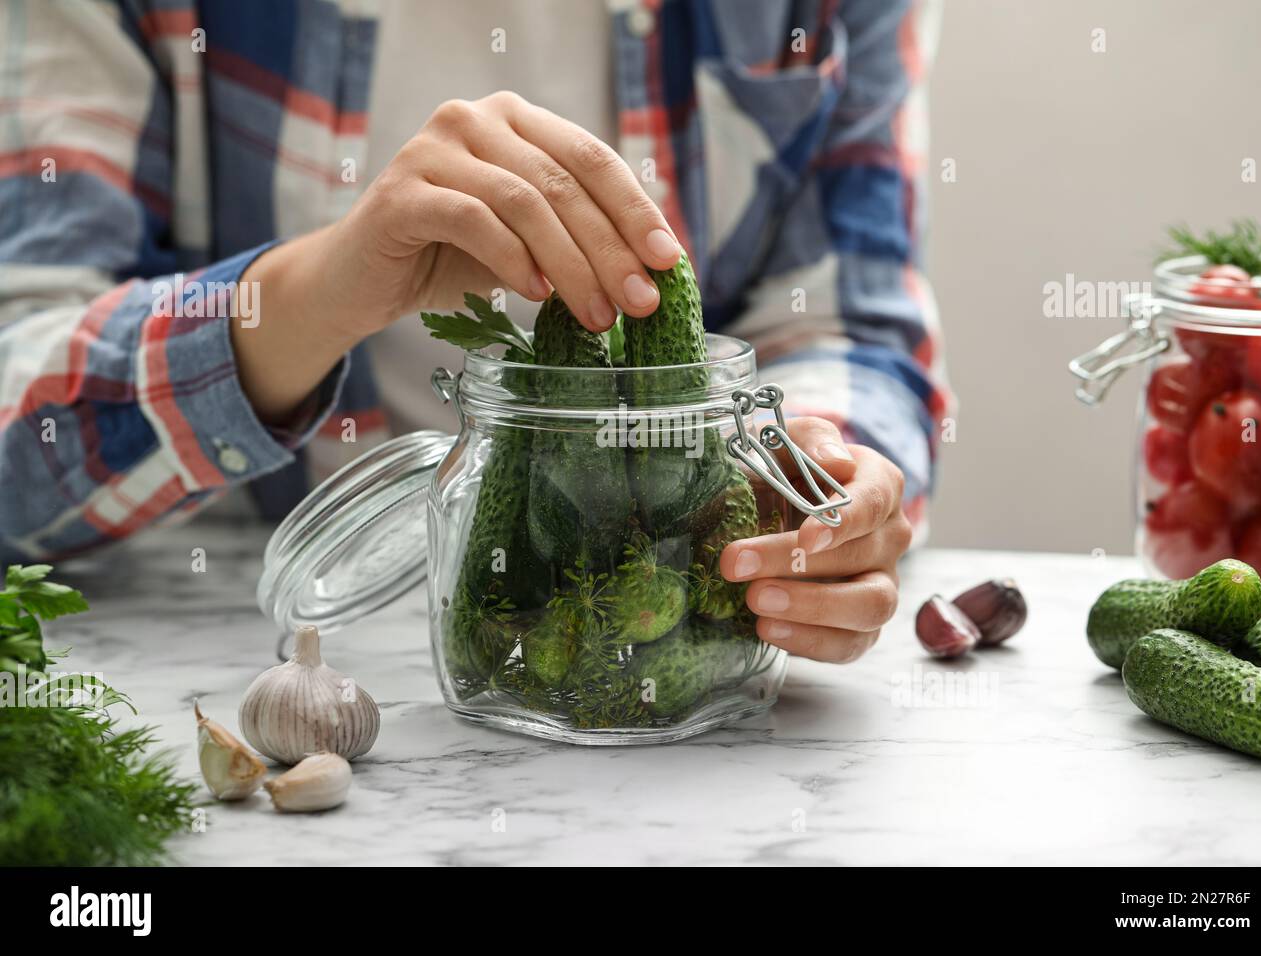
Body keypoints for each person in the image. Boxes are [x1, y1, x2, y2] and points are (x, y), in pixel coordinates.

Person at [0, 0, 947, 664]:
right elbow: (18, 397)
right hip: (213, 614)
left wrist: (814, 474)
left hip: (667, 573)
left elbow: (845, 320)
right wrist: (318, 290)